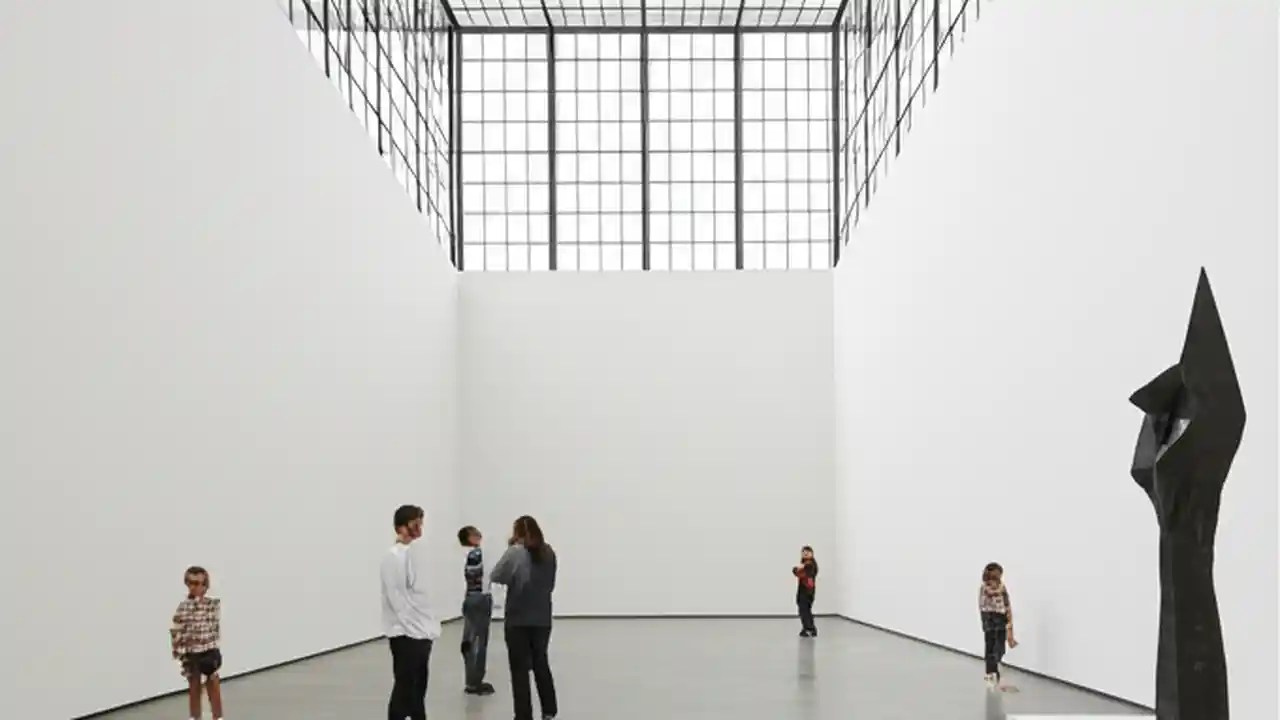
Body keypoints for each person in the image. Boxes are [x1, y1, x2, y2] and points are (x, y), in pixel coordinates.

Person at [490, 515, 558, 720]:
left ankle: (523, 715)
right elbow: (550, 584)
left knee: (519, 670)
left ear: (517, 532)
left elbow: (496, 575)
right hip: (543, 618)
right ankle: (549, 710)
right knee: (541, 662)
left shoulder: (515, 552)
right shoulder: (549, 552)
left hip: (518, 618)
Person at [381, 504, 442, 720]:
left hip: (420, 630)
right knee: (405, 685)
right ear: (402, 527)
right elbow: (396, 596)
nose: (419, 529)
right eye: (415, 523)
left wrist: (426, 627)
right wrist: (413, 627)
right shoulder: (393, 556)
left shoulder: (413, 554)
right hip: (405, 633)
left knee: (418, 685)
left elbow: (419, 593)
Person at [170, 565, 224, 720]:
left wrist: (214, 648)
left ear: (205, 585)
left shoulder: (211, 605)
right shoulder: (183, 608)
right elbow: (177, 630)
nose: (195, 587)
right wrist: (179, 652)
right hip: (192, 652)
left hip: (208, 650)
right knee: (194, 686)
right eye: (191, 583)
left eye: (199, 583)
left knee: (213, 684)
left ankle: (218, 717)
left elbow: (214, 627)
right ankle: (195, 717)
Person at [457, 525, 495, 696]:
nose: (479, 535)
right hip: (479, 599)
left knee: (470, 640)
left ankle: (471, 680)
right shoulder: (476, 554)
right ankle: (474, 681)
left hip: (470, 599)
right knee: (478, 641)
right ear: (470, 538)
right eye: (475, 533)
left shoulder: (466, 555)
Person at [979, 562, 1018, 688]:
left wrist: (1009, 625)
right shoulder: (984, 588)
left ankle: (994, 669)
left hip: (1000, 618)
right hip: (989, 617)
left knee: (999, 647)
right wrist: (985, 621)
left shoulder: (1002, 588)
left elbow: (1007, 604)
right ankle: (991, 673)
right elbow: (983, 604)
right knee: (990, 645)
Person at [792, 546, 819, 637]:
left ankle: (810, 629)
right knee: (804, 611)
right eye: (803, 553)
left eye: (807, 553)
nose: (805, 554)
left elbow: (801, 573)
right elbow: (798, 572)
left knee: (805, 611)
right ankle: (807, 628)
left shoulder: (810, 565)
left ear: (811, 554)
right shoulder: (805, 564)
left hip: (807, 592)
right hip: (803, 591)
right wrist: (797, 569)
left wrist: (797, 570)